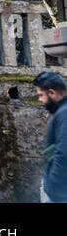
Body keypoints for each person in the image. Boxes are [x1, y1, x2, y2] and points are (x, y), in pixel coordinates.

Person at [34, 70, 67, 203]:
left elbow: (63, 154)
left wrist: (53, 187)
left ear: (52, 93)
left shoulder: (64, 113)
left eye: (41, 95)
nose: (40, 100)